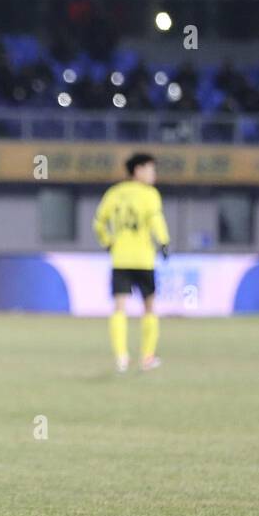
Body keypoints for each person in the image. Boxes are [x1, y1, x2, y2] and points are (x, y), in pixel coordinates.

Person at [94, 153, 170, 372]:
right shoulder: (149, 194)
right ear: (137, 170)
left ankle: (121, 357)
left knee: (119, 307)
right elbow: (156, 219)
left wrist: (108, 242)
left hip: (120, 258)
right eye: (150, 169)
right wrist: (164, 243)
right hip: (144, 259)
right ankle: (147, 357)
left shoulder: (114, 193)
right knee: (149, 306)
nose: (153, 174)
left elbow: (99, 222)